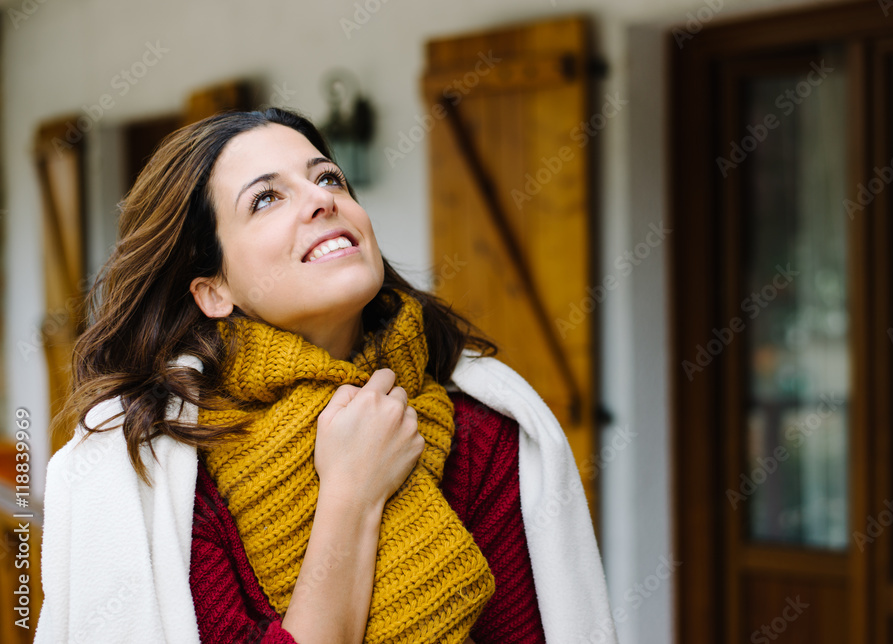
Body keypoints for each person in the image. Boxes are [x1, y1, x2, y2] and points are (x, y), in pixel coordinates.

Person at [34, 108, 617, 644]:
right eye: (265, 199)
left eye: (328, 178)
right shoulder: (162, 470)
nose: (321, 201)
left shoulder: (483, 436)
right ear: (214, 290)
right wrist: (352, 494)